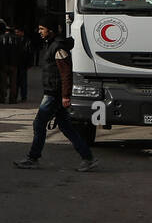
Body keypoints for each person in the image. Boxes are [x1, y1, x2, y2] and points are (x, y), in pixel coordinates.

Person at [14, 24, 98, 172]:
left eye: (42, 29)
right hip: (54, 92)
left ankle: (33, 158)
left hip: (54, 94)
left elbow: (66, 73)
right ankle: (88, 158)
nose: (39, 32)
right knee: (66, 127)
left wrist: (65, 95)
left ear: (50, 30)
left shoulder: (58, 48)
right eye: (38, 28)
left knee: (39, 124)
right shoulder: (52, 45)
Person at [0, 22, 19, 104]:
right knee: (13, 83)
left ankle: (2, 98)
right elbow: (20, 52)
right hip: (14, 64)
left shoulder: (0, 38)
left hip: (3, 64)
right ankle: (12, 99)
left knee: (3, 82)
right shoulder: (17, 39)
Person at [15, 27, 31, 102]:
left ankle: (23, 97)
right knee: (16, 81)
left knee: (23, 82)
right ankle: (15, 96)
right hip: (16, 64)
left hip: (23, 64)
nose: (17, 34)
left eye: (18, 32)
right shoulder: (14, 40)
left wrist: (29, 64)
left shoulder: (27, 41)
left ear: (22, 32)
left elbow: (29, 53)